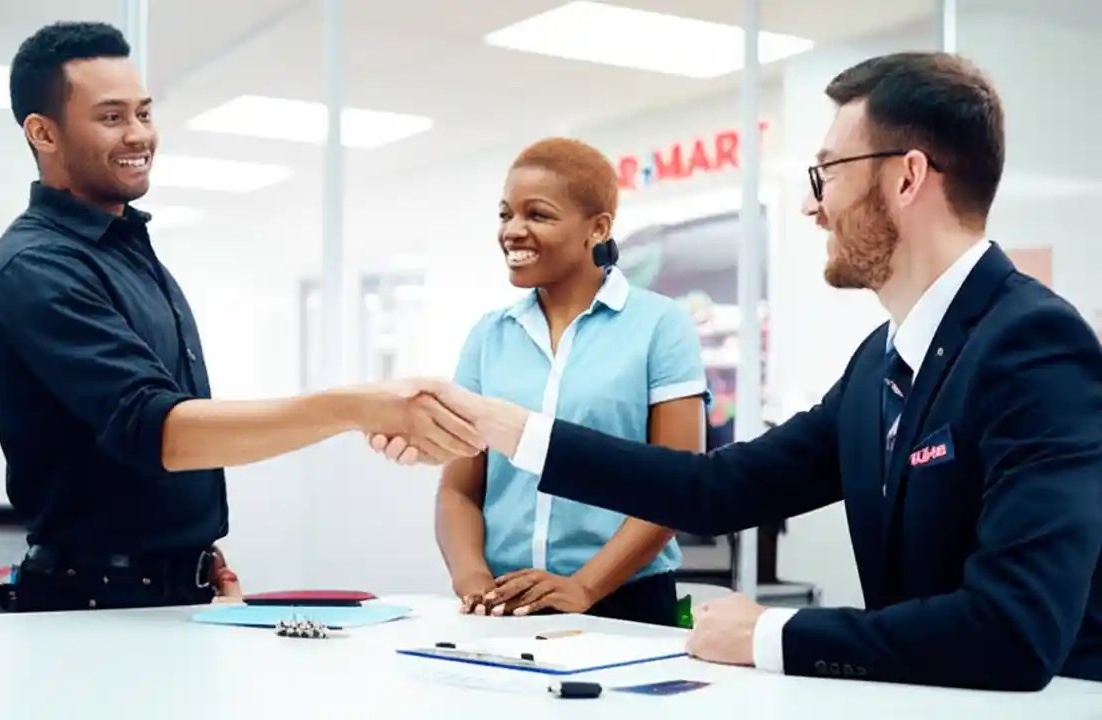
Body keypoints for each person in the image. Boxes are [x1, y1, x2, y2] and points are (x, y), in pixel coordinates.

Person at [376, 52, 1102, 691]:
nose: (810, 204)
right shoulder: (881, 364)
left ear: (909, 176)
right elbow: (715, 490)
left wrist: (768, 636)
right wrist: (506, 427)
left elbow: (1013, 631)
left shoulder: (1032, 346)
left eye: (826, 173)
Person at [0, 21, 482, 613]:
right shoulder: (39, 267)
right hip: (93, 603)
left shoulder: (124, 248)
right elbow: (155, 428)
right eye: (112, 117)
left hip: (168, 592)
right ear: (43, 132)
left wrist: (196, 558)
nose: (139, 134)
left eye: (144, 112)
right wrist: (354, 406)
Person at [399, 138, 708, 626]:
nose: (513, 232)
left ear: (598, 227)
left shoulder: (659, 325)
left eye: (537, 215)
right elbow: (460, 489)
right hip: (504, 601)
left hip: (627, 604)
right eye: (506, 215)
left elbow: (677, 483)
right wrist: (473, 580)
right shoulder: (489, 335)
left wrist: (584, 586)